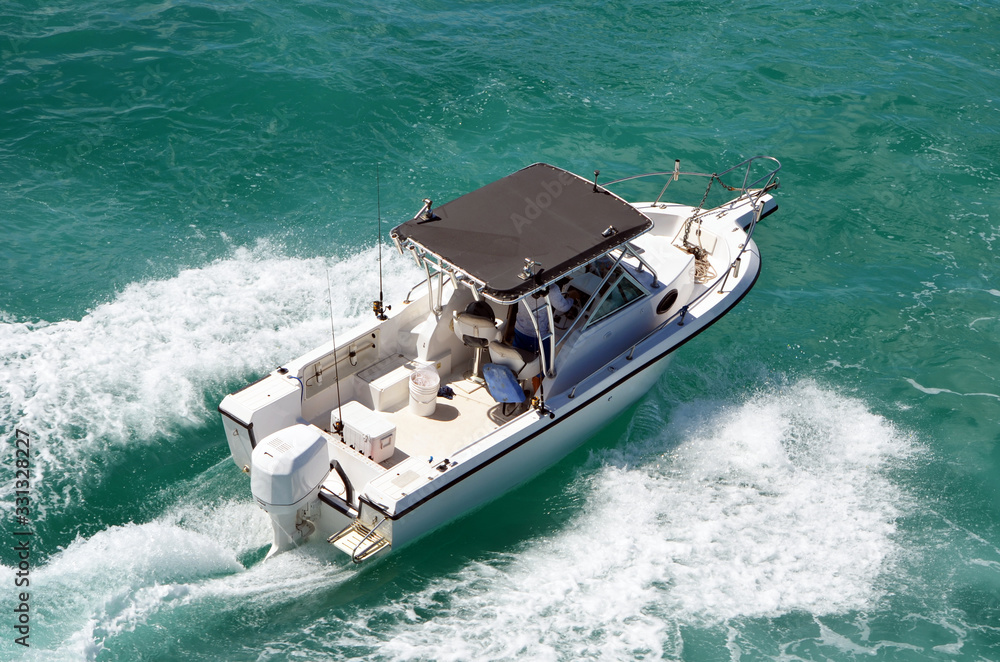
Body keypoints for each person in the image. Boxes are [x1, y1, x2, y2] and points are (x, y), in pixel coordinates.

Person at [513, 286, 575, 355]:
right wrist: (572, 297)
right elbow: (564, 307)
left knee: (517, 354)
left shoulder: (524, 283)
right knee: (546, 358)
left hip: (519, 329)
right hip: (537, 335)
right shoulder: (552, 288)